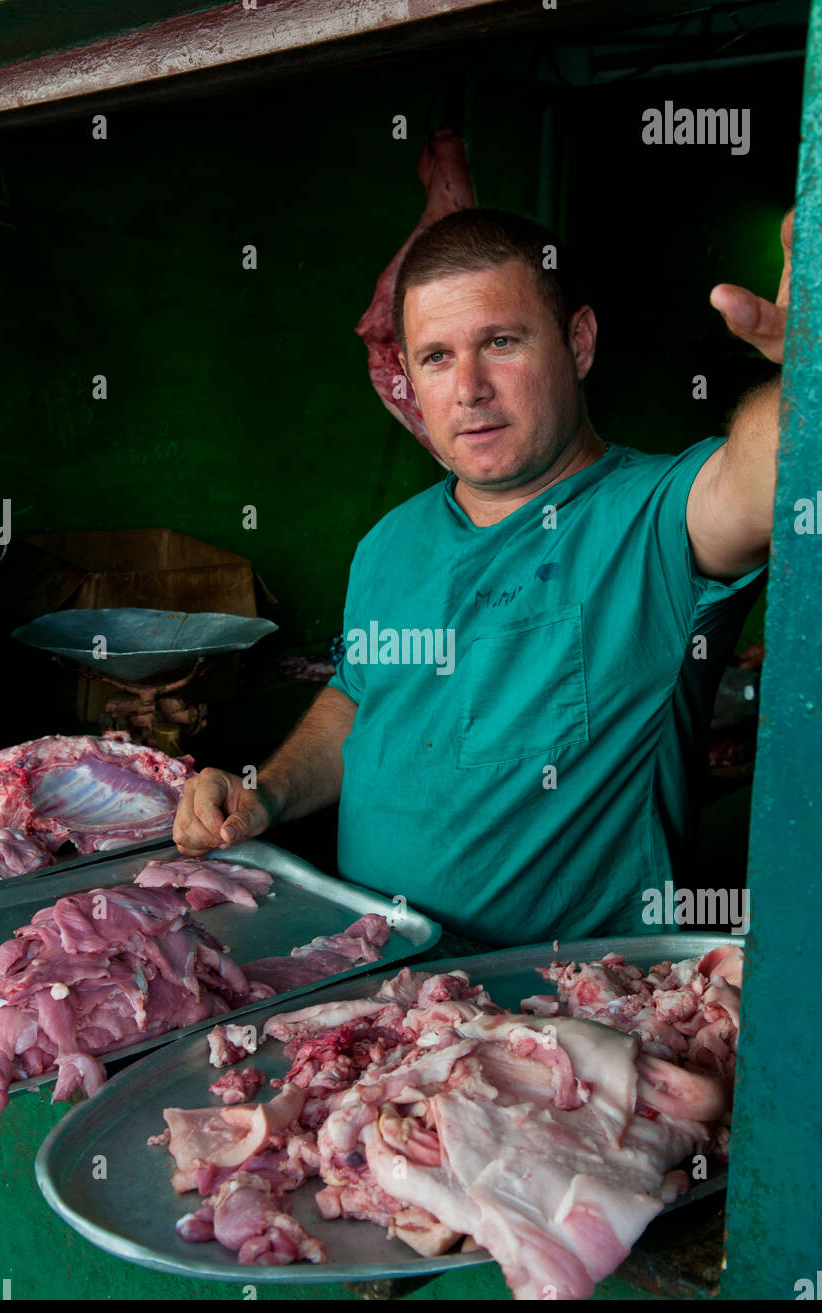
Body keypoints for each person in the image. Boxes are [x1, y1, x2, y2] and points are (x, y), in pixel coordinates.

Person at [174, 206, 792, 945]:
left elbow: (764, 476)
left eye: (500, 343)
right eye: (436, 357)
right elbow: (359, 697)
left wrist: (807, 375)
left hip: (565, 1010)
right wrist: (263, 793)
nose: (468, 388)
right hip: (382, 986)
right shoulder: (387, 544)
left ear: (578, 342)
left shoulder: (656, 516)